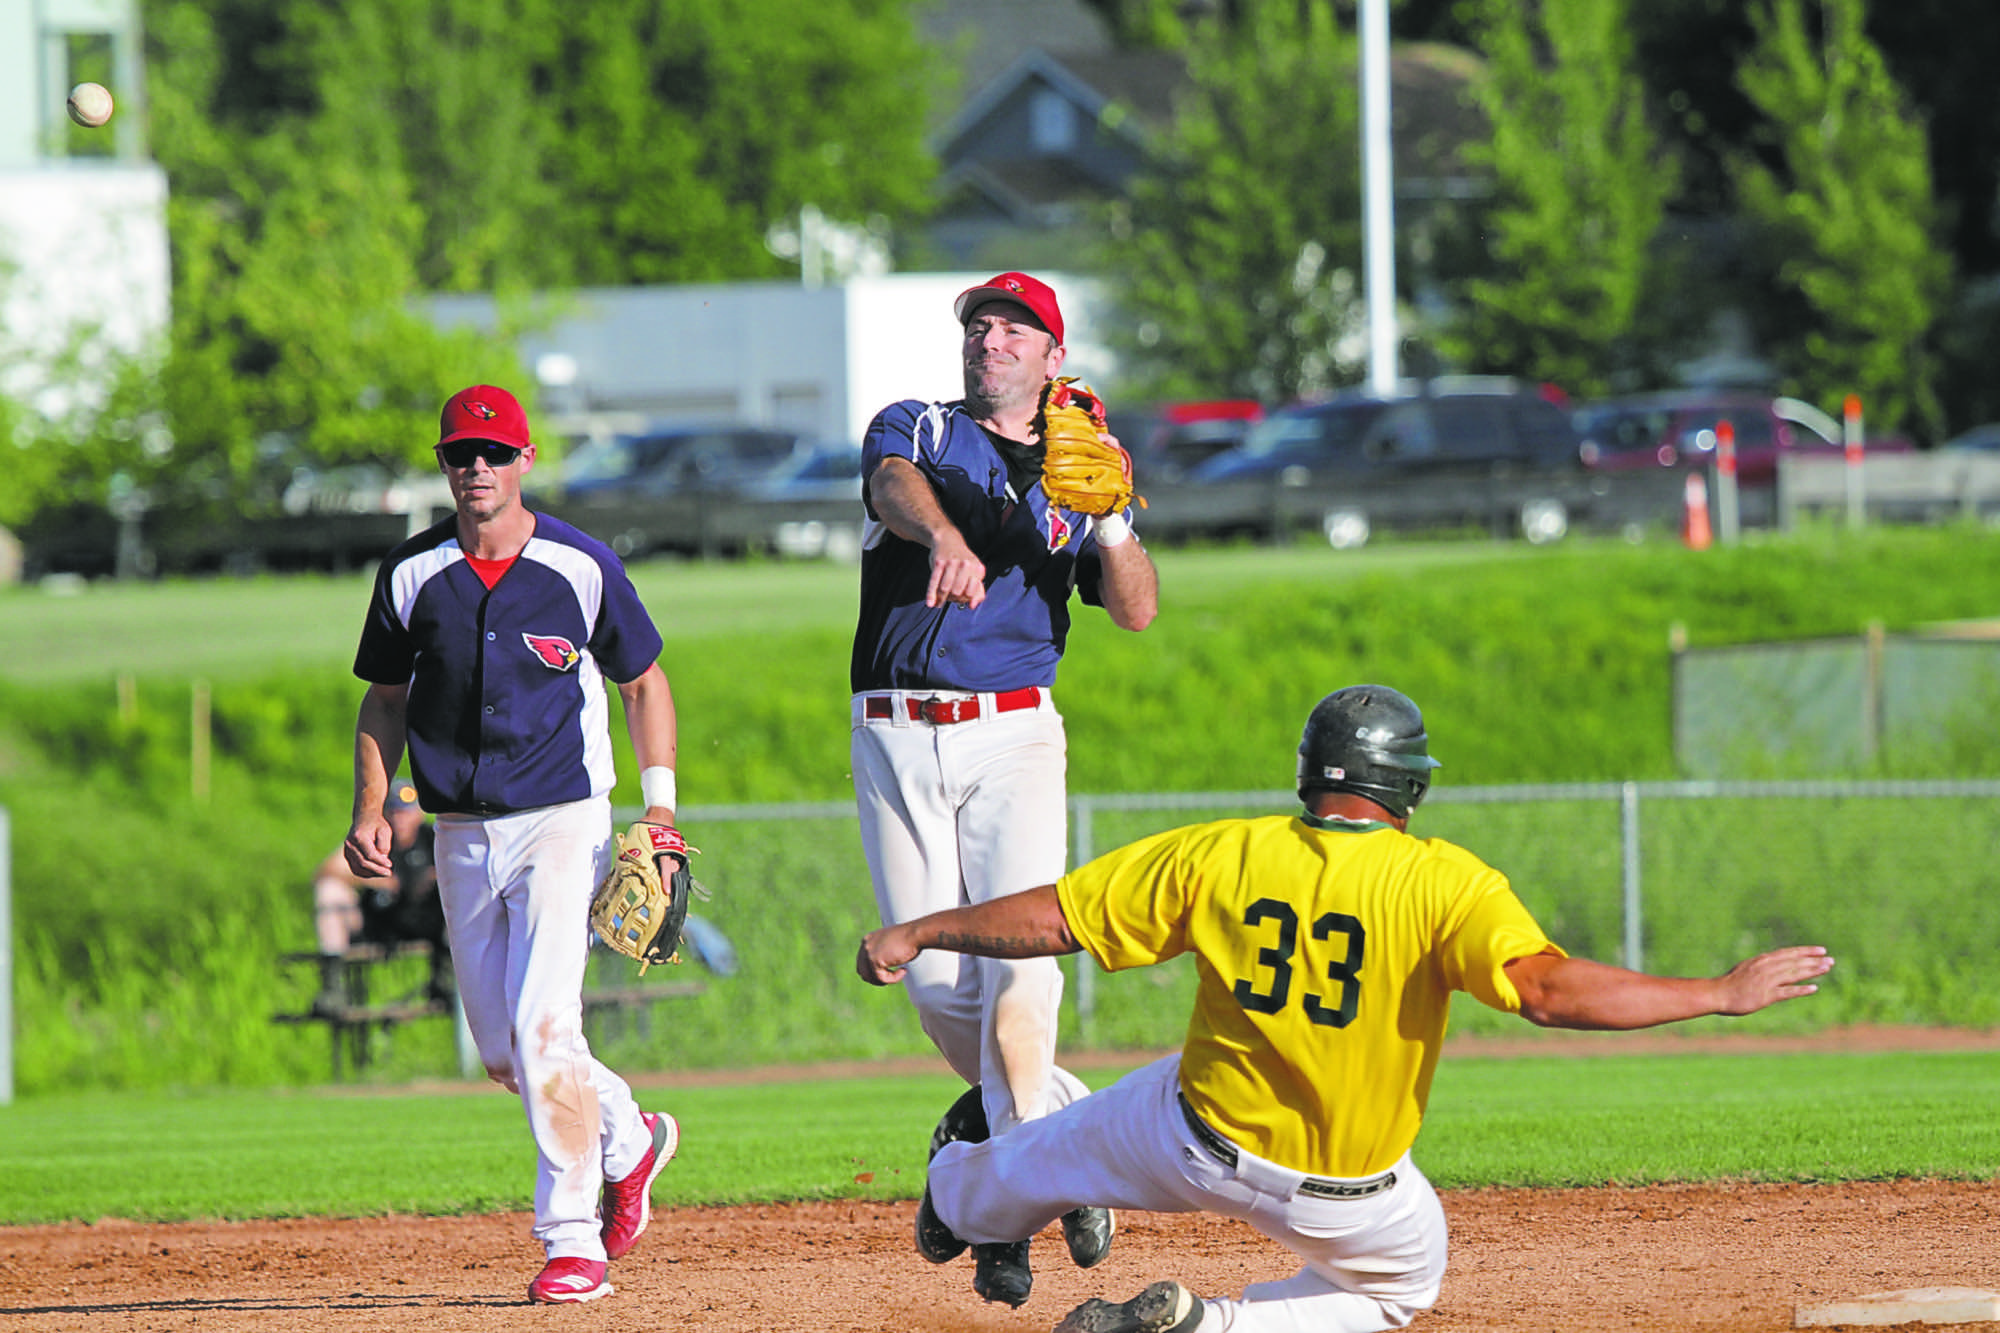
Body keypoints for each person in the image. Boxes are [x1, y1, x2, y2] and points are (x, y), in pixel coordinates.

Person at [857, 684, 1835, 1333]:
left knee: (1029, 1160)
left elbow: (1055, 918)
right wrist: (1715, 992)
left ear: (1307, 773)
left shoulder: (1224, 852)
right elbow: (1547, 990)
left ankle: (954, 1198)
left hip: (1186, 1138)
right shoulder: (1444, 882)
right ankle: (1206, 1323)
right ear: (1407, 785)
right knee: (1403, 1285)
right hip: (1348, 1192)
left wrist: (923, 929)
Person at [849, 271, 1160, 1307]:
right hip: (894, 730)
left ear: (1053, 357)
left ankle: (1003, 1210)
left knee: (1022, 982)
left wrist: (1110, 523)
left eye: (1014, 327)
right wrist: (944, 534)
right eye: (979, 323)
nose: (990, 336)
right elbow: (890, 485)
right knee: (940, 986)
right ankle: (1046, 1130)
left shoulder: (1083, 465)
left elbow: (1136, 611)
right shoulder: (920, 428)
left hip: (1014, 731)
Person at [345, 384, 685, 1306]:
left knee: (544, 1025)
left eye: (495, 452)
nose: (478, 467)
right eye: (462, 452)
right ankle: (629, 1138)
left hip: (562, 818)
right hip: (458, 828)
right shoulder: (413, 573)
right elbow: (384, 698)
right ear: (444, 463)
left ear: (526, 460)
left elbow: (644, 682)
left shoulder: (579, 564)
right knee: (504, 1051)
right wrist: (371, 804)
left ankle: (573, 1240)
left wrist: (658, 810)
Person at [310, 779, 450, 1015]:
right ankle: (332, 988)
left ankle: (446, 978)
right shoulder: (374, 839)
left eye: (405, 812)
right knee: (329, 891)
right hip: (380, 921)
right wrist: (380, 880)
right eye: (393, 812)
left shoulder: (433, 839)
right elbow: (327, 870)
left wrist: (431, 879)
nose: (399, 819)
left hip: (428, 922)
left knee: (456, 891)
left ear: (418, 814)